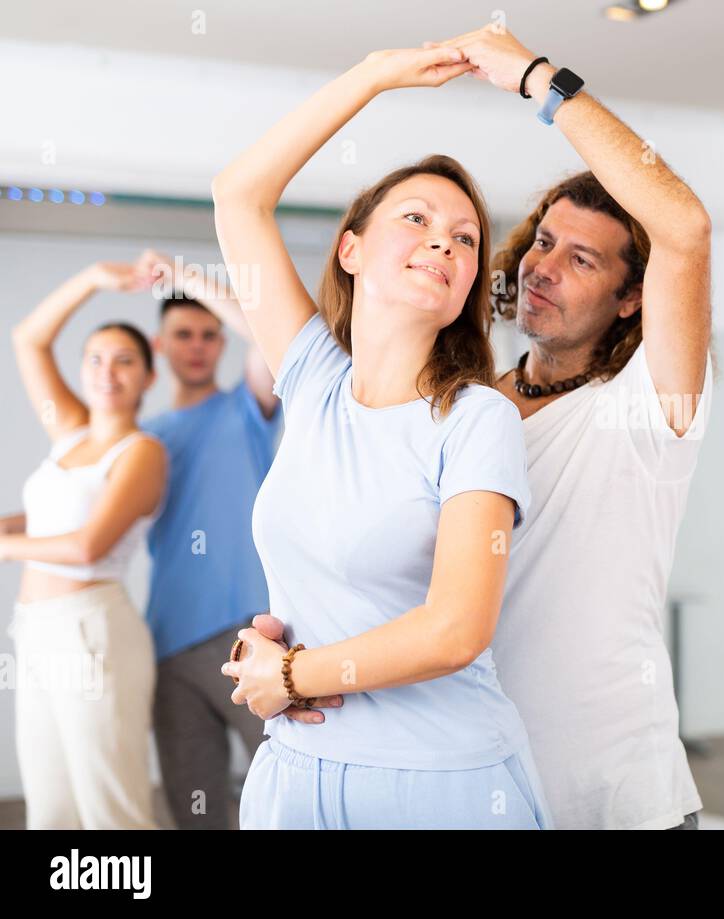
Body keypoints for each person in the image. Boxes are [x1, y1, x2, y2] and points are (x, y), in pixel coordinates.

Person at [253, 24, 716, 829]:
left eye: (583, 259)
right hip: (467, 778)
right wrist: (302, 644)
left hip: (613, 795)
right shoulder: (464, 409)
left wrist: (541, 80)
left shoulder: (650, 407)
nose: (541, 266)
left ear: (632, 297)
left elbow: (684, 228)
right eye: (542, 241)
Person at [212, 40, 549, 829]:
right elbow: (237, 196)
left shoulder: (476, 420)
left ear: (468, 284)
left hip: (440, 779)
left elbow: (457, 626)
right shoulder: (314, 384)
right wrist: (374, 76)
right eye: (417, 218)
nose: (445, 240)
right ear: (351, 249)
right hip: (295, 771)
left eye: (466, 238)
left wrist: (293, 672)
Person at [1, 259, 167, 828]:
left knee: (111, 808)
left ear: (148, 377)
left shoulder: (142, 452)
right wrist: (93, 280)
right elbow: (28, 337)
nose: (107, 371)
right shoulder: (68, 432)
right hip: (36, 630)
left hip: (91, 632)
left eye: (125, 361)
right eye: (95, 358)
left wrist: (5, 545)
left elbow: (86, 547)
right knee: (51, 809)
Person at [132, 249, 282, 830]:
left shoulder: (248, 406)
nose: (197, 345)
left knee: (285, 792)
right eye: (182, 334)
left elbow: (272, 337)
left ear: (221, 343)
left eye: (208, 334)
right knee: (193, 808)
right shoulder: (142, 438)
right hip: (168, 644)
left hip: (249, 637)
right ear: (160, 346)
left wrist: (184, 274)